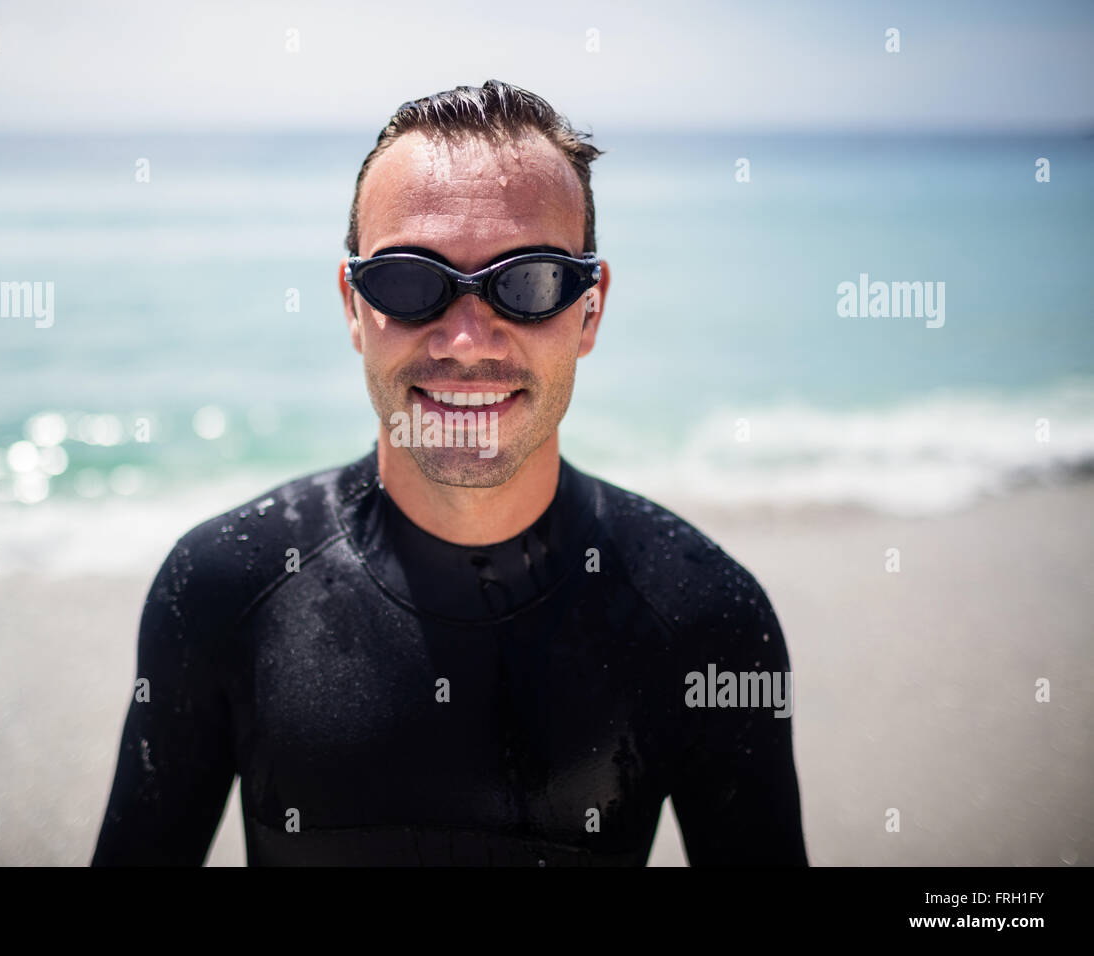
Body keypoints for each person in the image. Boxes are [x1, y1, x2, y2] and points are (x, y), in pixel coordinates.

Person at [92, 79, 807, 866]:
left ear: (590, 309)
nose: (467, 340)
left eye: (527, 281)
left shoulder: (704, 618)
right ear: (354, 307)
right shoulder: (222, 588)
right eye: (409, 280)